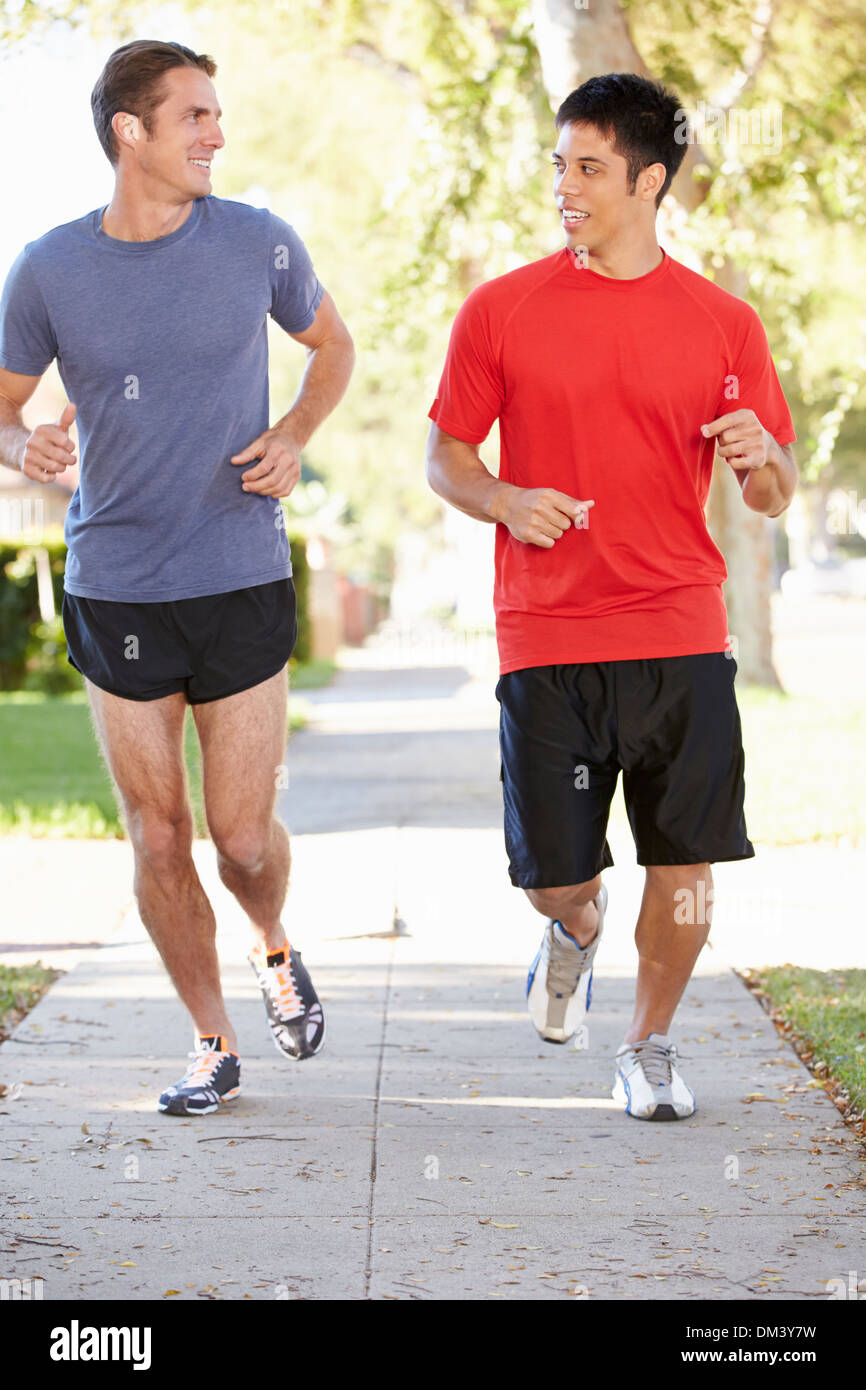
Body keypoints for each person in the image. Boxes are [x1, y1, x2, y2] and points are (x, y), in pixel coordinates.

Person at [426, 73, 797, 1121]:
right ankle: (571, 932)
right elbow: (445, 457)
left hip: (679, 627)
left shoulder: (721, 324)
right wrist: (503, 498)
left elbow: (768, 494)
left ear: (648, 182)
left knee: (684, 864)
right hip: (545, 632)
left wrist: (761, 456)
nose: (564, 187)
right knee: (556, 878)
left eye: (586, 168)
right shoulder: (502, 309)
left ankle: (648, 1045)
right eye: (558, 164)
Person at [0, 39, 355, 1116]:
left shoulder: (255, 241)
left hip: (238, 569)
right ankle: (211, 1040)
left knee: (242, 839)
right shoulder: (50, 268)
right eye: (194, 115)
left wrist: (293, 431)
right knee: (157, 831)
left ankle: (271, 939)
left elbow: (331, 347)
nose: (216, 133)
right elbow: (2, 407)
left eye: (216, 113)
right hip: (116, 580)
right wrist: (23, 448)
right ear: (130, 132)